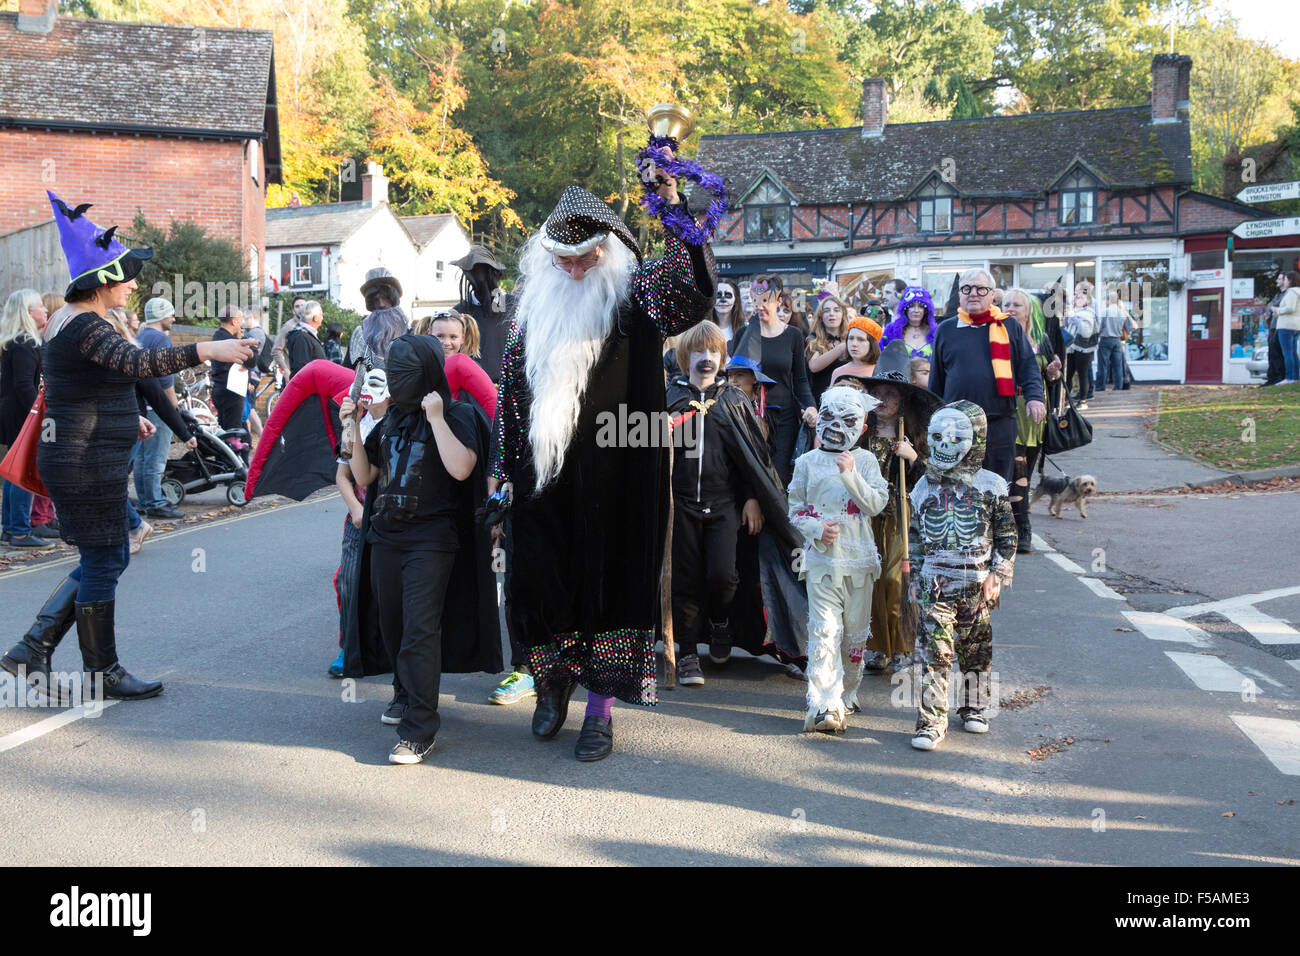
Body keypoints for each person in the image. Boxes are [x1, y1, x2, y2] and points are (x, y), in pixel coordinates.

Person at [490, 161, 716, 761]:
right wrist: (500, 471)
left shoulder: (638, 297)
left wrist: (674, 208)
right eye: (562, 259)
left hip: (621, 475)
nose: (573, 269)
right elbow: (509, 396)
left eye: (585, 257)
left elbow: (694, 290)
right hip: (544, 479)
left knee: (613, 586)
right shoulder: (530, 314)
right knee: (540, 582)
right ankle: (552, 685)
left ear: (608, 251)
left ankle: (600, 710)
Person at [1, 192, 253, 703]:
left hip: (87, 456)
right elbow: (137, 366)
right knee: (104, 559)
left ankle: (35, 651)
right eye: (127, 275)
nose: (134, 285)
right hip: (82, 462)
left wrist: (127, 420)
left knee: (109, 555)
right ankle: (95, 670)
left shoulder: (73, 322)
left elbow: (103, 382)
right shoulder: (84, 325)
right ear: (103, 282)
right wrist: (208, 347)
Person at [344, 334, 500, 764]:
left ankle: (419, 728)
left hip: (432, 541)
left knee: (419, 632)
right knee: (392, 626)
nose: (398, 382)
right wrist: (354, 428)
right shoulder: (392, 417)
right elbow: (367, 475)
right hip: (386, 536)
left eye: (406, 374)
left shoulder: (458, 413)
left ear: (429, 373)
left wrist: (436, 419)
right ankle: (404, 692)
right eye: (394, 373)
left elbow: (462, 466)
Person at [665, 320, 795, 686]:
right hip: (681, 505)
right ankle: (688, 653)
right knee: (684, 580)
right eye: (698, 351)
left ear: (722, 358)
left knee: (723, 577)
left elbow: (754, 458)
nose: (705, 358)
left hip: (725, 505)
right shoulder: (669, 397)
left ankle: (721, 623)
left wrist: (753, 498)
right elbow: (644, 453)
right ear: (684, 355)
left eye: (713, 352)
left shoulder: (734, 400)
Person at [908, 400, 1017, 750]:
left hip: (977, 585)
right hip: (934, 585)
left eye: (955, 438)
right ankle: (931, 722)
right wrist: (914, 578)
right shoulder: (923, 486)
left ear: (975, 440)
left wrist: (998, 574)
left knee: (976, 651)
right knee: (933, 654)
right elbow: (914, 536)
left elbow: (1007, 536)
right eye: (937, 436)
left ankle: (973, 707)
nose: (944, 445)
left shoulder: (992, 485)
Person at [787, 386, 890, 733]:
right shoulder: (806, 463)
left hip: (859, 564)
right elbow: (795, 510)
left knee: (854, 637)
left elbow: (875, 505)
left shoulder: (867, 461)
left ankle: (847, 691)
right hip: (821, 564)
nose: (835, 426)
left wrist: (851, 474)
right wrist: (816, 528)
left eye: (847, 421)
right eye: (828, 416)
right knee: (825, 630)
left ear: (861, 429)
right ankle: (822, 702)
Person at [845, 342, 938, 677]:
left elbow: (933, 477)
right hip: (867, 515)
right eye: (878, 393)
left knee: (896, 579)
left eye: (891, 394)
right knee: (869, 579)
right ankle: (875, 646)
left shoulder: (913, 435)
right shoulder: (862, 434)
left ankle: (902, 645)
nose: (883, 400)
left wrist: (913, 458)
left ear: (903, 402)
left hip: (901, 515)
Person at [927, 268, 1045, 489]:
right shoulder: (946, 329)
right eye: (967, 288)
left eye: (981, 289)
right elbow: (937, 381)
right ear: (960, 294)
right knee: (957, 486)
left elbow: (1028, 365)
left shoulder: (1009, 326)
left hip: (999, 423)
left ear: (992, 295)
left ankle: (996, 525)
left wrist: (1035, 397)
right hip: (956, 427)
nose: (973, 293)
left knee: (997, 487)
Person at [329, 369, 389, 679]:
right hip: (358, 519)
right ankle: (349, 646)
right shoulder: (355, 426)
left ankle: (387, 647)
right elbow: (342, 476)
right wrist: (355, 507)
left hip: (391, 519)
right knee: (348, 580)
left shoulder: (398, 425)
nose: (369, 390)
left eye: (378, 383)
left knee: (386, 586)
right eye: (366, 382)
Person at [1002, 289, 1061, 553]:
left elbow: (1050, 379)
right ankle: (1022, 528)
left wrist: (1052, 372)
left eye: (1017, 304)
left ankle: (1013, 525)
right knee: (1018, 474)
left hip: (1034, 414)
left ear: (1028, 310)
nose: (1011, 307)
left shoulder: (1041, 339)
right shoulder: (997, 336)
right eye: (1006, 303)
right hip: (1007, 410)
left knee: (1026, 469)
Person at [749, 274, 816, 486]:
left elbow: (801, 381)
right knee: (753, 478)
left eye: (765, 300)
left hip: (784, 419)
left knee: (779, 479)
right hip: (751, 417)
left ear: (778, 301)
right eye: (755, 300)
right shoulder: (745, 333)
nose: (759, 306)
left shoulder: (793, 335)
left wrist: (811, 407)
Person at [1, 289, 53, 548]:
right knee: (23, 471)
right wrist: (39, 415)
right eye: (40, 306)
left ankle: (10, 529)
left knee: (14, 470)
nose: (45, 310)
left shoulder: (16, 341)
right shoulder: (25, 343)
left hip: (13, 411)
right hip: (23, 413)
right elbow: (24, 385)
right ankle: (19, 531)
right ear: (28, 312)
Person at [131, 297, 192, 520]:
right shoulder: (161, 340)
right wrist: (173, 407)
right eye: (171, 314)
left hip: (140, 406)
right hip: (157, 406)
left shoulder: (139, 336)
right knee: (157, 458)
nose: (174, 318)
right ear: (162, 316)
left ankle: (144, 501)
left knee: (142, 458)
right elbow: (166, 379)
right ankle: (156, 502)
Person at [452, 246, 515, 382]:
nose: (479, 278)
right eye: (474, 272)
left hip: (508, 386)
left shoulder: (514, 306)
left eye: (483, 272)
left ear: (493, 274)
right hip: (472, 386)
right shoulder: (459, 312)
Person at [209, 306, 256, 434]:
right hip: (232, 391)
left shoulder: (217, 336)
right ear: (234, 321)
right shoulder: (231, 341)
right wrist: (248, 343)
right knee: (233, 434)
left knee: (225, 431)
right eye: (240, 319)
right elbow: (252, 360)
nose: (241, 323)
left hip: (220, 388)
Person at [806, 294, 850, 403]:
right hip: (822, 399)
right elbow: (813, 366)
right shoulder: (814, 338)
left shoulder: (851, 337)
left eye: (836, 310)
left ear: (843, 314)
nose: (831, 314)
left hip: (847, 398)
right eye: (826, 311)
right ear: (821, 316)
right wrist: (840, 348)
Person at [1064, 283, 1098, 409]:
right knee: (1068, 374)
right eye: (1076, 297)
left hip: (1084, 347)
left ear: (1088, 300)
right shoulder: (1073, 311)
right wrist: (1068, 317)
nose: (1077, 299)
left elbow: (1085, 330)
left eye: (1081, 297)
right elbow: (1068, 326)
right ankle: (1066, 400)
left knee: (1082, 373)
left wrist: (1073, 317)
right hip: (1071, 346)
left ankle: (1083, 401)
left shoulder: (1089, 312)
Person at [881, 285, 938, 360]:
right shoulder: (891, 330)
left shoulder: (936, 332)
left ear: (926, 310)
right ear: (905, 309)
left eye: (921, 306)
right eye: (911, 306)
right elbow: (883, 360)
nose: (916, 310)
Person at [1095, 287, 1134, 393]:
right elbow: (1129, 327)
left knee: (1103, 365)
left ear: (1109, 300)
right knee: (1118, 365)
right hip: (1117, 340)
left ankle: (1100, 387)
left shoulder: (1105, 311)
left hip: (1105, 339)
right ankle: (1118, 387)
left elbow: (1098, 327)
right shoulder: (1122, 312)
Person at [829, 314, 883, 385]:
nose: (854, 344)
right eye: (851, 338)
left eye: (861, 339)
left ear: (872, 344)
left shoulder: (881, 372)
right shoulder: (838, 372)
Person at [1273, 270, 1300, 385]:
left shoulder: (1292, 292)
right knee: (1293, 353)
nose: (1284, 282)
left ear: (1289, 280)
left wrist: (1277, 310)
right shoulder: (1297, 292)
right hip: (1295, 326)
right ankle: (1295, 377)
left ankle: (1289, 378)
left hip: (1286, 326)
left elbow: (1290, 308)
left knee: (1287, 353)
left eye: (1285, 279)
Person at [287, 301, 327, 378]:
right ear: (315, 318)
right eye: (321, 314)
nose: (322, 318)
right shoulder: (302, 337)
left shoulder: (306, 335)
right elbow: (301, 368)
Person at [711, 280, 745, 350]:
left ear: (735, 300)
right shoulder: (703, 329)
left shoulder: (744, 329)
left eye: (728, 295)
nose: (723, 300)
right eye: (718, 295)